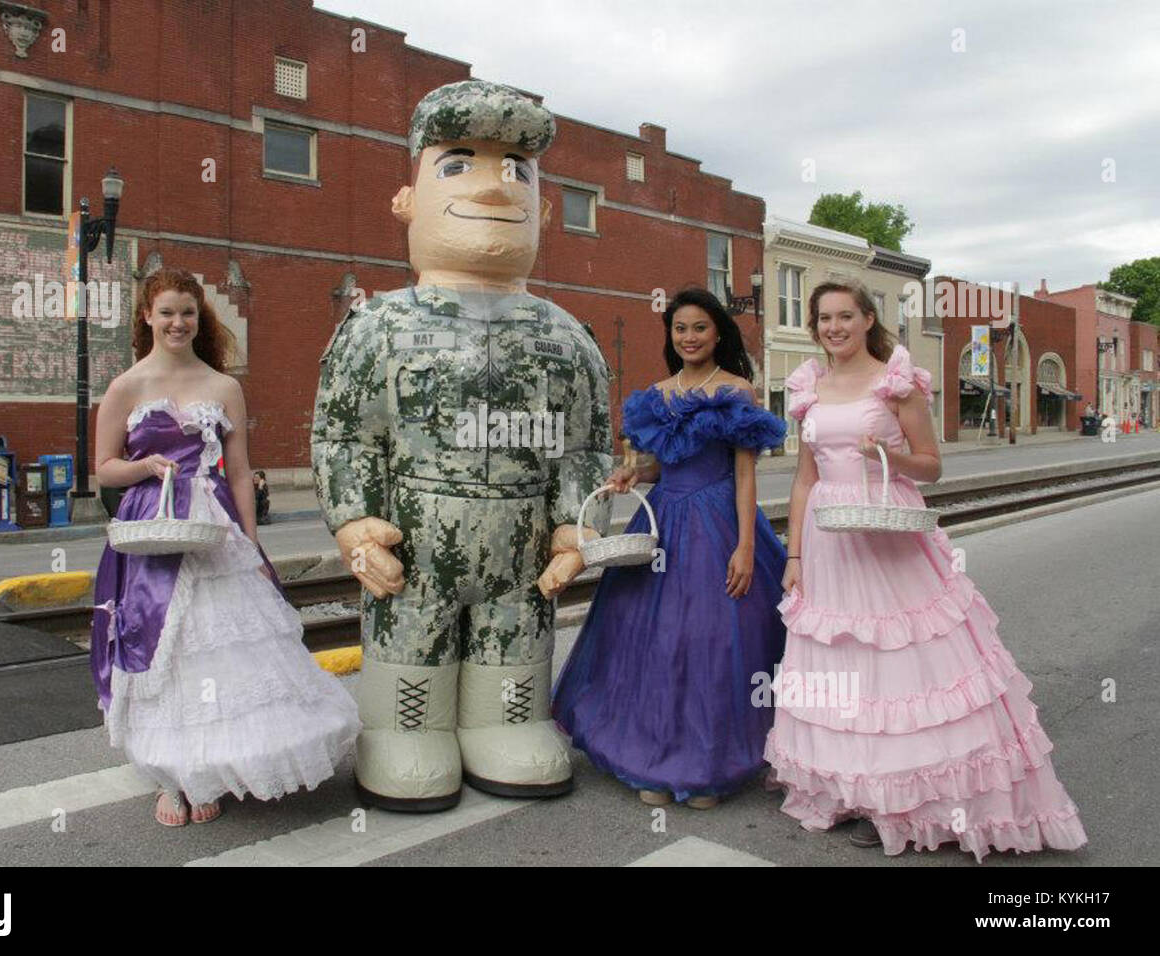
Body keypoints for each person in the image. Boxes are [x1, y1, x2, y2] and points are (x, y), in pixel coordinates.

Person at [312, 79, 613, 812]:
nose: (493, 187)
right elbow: (345, 433)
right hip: (416, 538)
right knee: (412, 636)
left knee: (515, 642)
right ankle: (402, 729)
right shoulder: (377, 325)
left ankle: (506, 724)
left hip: (522, 541)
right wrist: (355, 522)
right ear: (406, 200)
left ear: (541, 207)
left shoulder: (566, 335)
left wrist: (577, 523)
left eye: (516, 169)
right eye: (457, 164)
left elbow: (585, 446)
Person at [764, 279, 1087, 861]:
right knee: (842, 657)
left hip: (887, 530)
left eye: (845, 316)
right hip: (826, 536)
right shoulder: (809, 386)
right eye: (824, 319)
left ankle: (912, 802)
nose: (834, 327)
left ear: (868, 319)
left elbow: (932, 468)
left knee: (902, 660)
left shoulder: (898, 381)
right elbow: (805, 478)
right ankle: (853, 788)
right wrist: (793, 554)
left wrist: (882, 456)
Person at [91, 268, 361, 827]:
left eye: (187, 312)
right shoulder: (126, 386)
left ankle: (209, 770)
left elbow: (239, 475)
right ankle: (174, 780)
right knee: (167, 652)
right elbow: (104, 470)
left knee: (219, 653)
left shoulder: (224, 386)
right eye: (166, 312)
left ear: (199, 317)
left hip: (214, 530)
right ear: (147, 316)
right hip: (153, 528)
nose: (178, 322)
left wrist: (252, 547)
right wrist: (145, 465)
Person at [552, 288, 789, 808]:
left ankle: (707, 764)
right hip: (664, 520)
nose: (689, 337)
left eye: (699, 327)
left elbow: (745, 474)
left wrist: (746, 546)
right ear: (671, 334)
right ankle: (651, 761)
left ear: (718, 332)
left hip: (721, 521)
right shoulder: (657, 395)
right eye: (680, 328)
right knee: (654, 643)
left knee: (713, 642)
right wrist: (631, 472)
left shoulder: (738, 391)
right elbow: (661, 466)